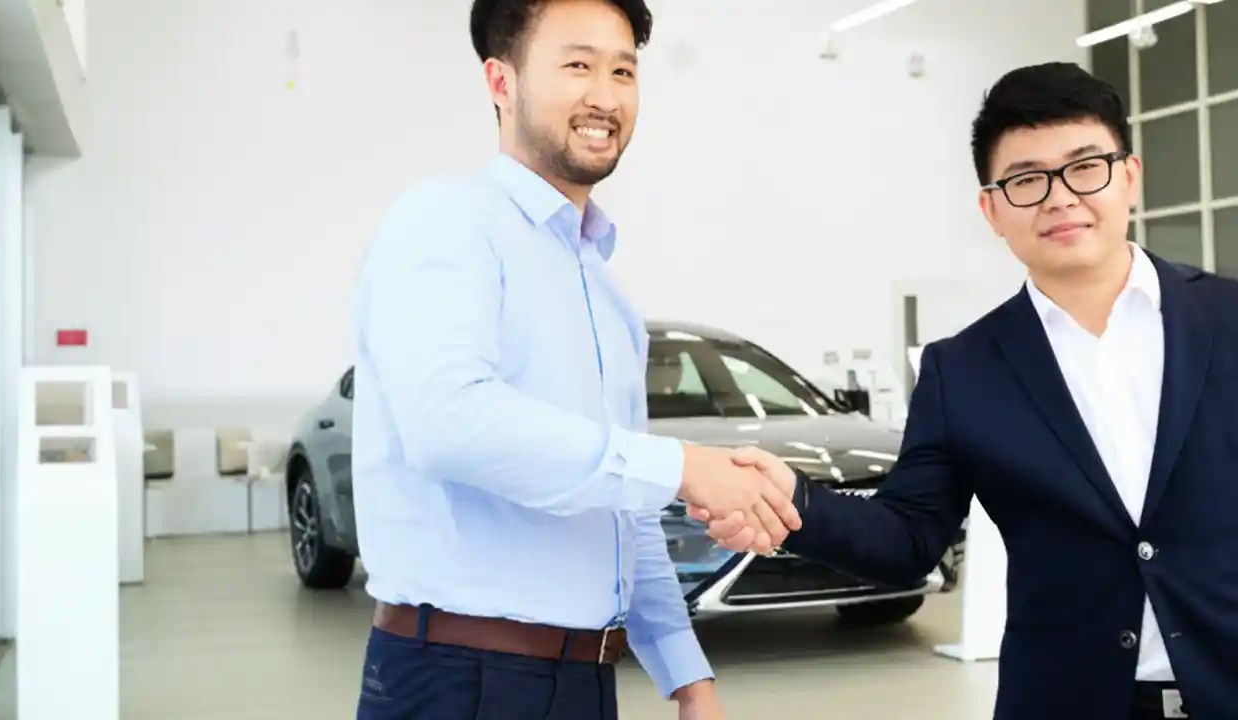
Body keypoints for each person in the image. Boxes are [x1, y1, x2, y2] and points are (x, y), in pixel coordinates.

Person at [692, 62, 1238, 719]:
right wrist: (795, 500)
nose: (1061, 197)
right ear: (992, 209)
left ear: (1130, 176)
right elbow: (909, 539)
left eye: (1085, 166)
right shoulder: (964, 370)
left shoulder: (1227, 320)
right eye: (1027, 180)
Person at [348, 0, 800, 717]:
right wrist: (684, 467)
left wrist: (687, 677)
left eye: (623, 71)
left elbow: (624, 503)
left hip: (585, 680)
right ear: (501, 82)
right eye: (578, 65)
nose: (605, 97)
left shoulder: (604, 290)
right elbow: (448, 422)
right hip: (459, 676)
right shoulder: (446, 221)